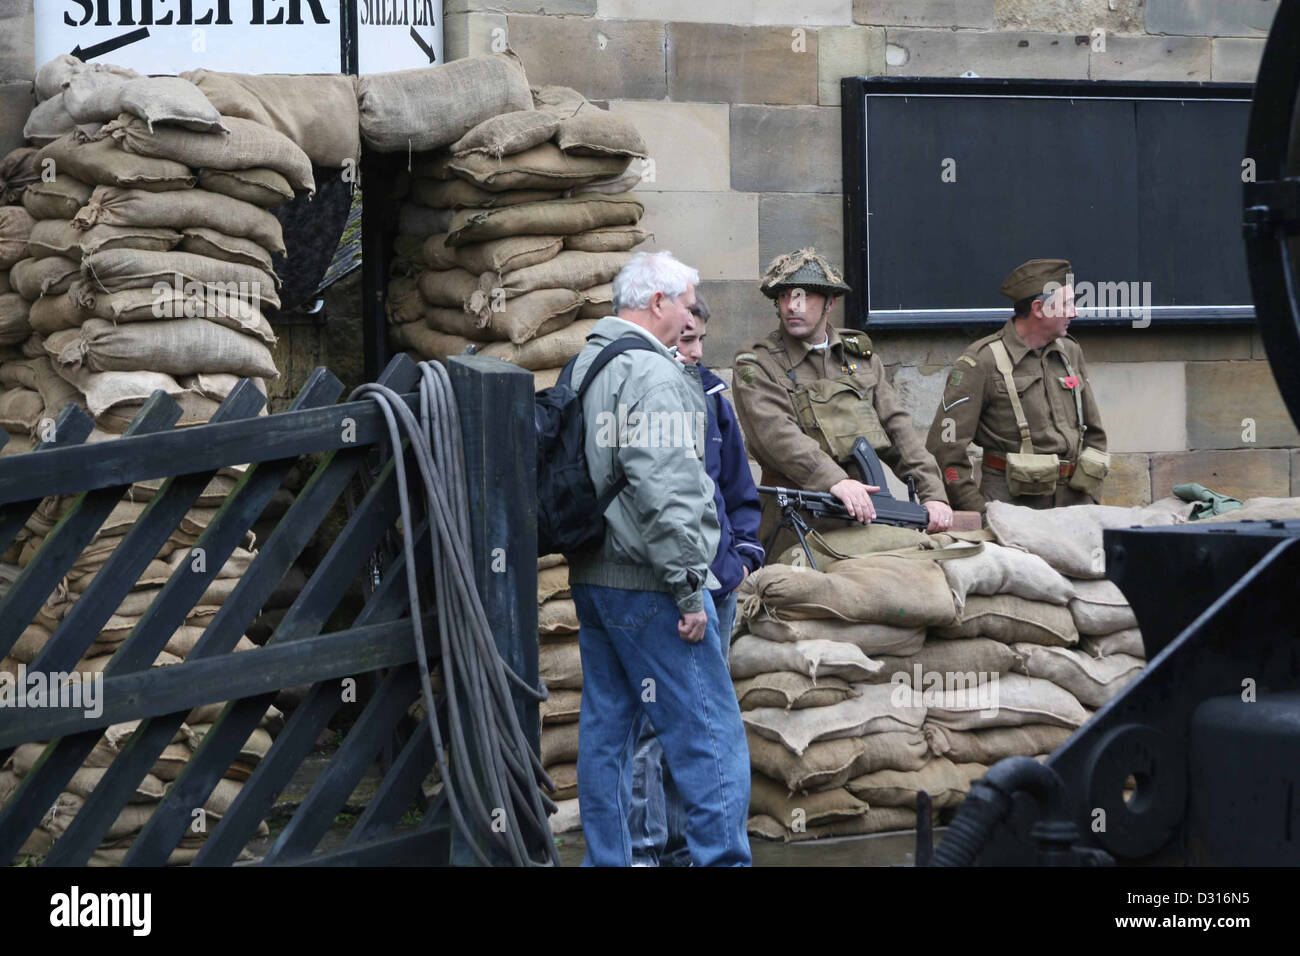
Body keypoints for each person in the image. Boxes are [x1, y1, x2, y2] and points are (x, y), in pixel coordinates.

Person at [568, 251, 751, 867]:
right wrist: (686, 588)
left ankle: (610, 862)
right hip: (653, 583)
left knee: (607, 737)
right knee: (710, 739)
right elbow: (664, 486)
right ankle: (723, 861)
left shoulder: (587, 362)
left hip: (596, 577)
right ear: (657, 303)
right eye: (687, 301)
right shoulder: (652, 375)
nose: (693, 313)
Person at [628, 291, 764, 867]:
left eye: (702, 340)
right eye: (686, 340)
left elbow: (735, 483)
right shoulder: (646, 393)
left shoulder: (711, 394)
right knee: (650, 726)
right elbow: (654, 499)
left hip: (718, 581)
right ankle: (643, 849)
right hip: (666, 586)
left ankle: (686, 847)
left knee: (703, 722)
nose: (696, 351)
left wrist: (744, 557)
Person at [731, 248, 953, 557]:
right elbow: (776, 435)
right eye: (785, 296)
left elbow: (898, 428)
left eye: (805, 297)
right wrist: (835, 481)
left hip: (867, 516)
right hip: (798, 517)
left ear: (830, 303)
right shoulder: (757, 362)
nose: (793, 307)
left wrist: (933, 494)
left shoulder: (859, 357)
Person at [924, 258, 1109, 512]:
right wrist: (978, 509)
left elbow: (1095, 435)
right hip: (1013, 508)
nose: (1074, 312)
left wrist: (1092, 497)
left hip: (1076, 505)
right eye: (1066, 304)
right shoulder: (981, 362)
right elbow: (945, 447)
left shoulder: (1070, 352)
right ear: (1038, 308)